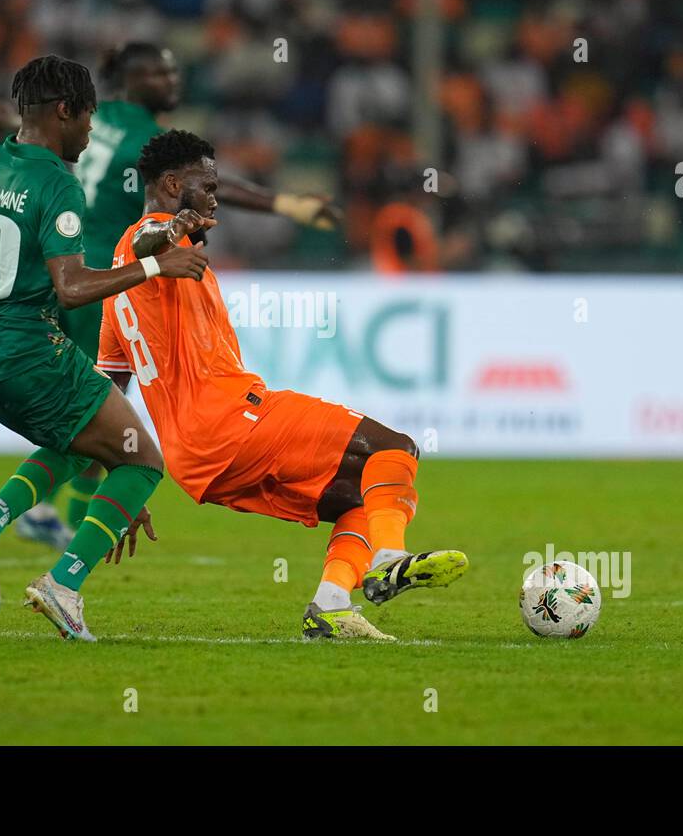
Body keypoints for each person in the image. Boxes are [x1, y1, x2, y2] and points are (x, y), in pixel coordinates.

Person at [96, 130, 469, 640]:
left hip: (194, 461)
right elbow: (146, 238)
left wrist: (120, 478)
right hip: (234, 419)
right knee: (396, 448)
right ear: (170, 183)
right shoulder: (158, 238)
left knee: (362, 494)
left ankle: (332, 606)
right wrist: (172, 230)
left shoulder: (116, 290)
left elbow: (110, 391)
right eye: (206, 187)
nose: (214, 199)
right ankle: (389, 559)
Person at [0, 42, 341, 550]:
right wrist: (288, 203)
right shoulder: (147, 137)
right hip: (113, 280)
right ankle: (74, 524)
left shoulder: (94, 121)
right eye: (163, 75)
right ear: (135, 79)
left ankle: (35, 515)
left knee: (94, 418)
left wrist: (5, 118)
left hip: (70, 272)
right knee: (99, 421)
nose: (174, 83)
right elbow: (208, 184)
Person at [0, 56, 209, 641]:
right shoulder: (56, 184)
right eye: (89, 117)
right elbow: (72, 289)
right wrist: (156, 263)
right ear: (66, 111)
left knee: (85, 444)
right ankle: (63, 584)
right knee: (145, 462)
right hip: (27, 352)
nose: (92, 132)